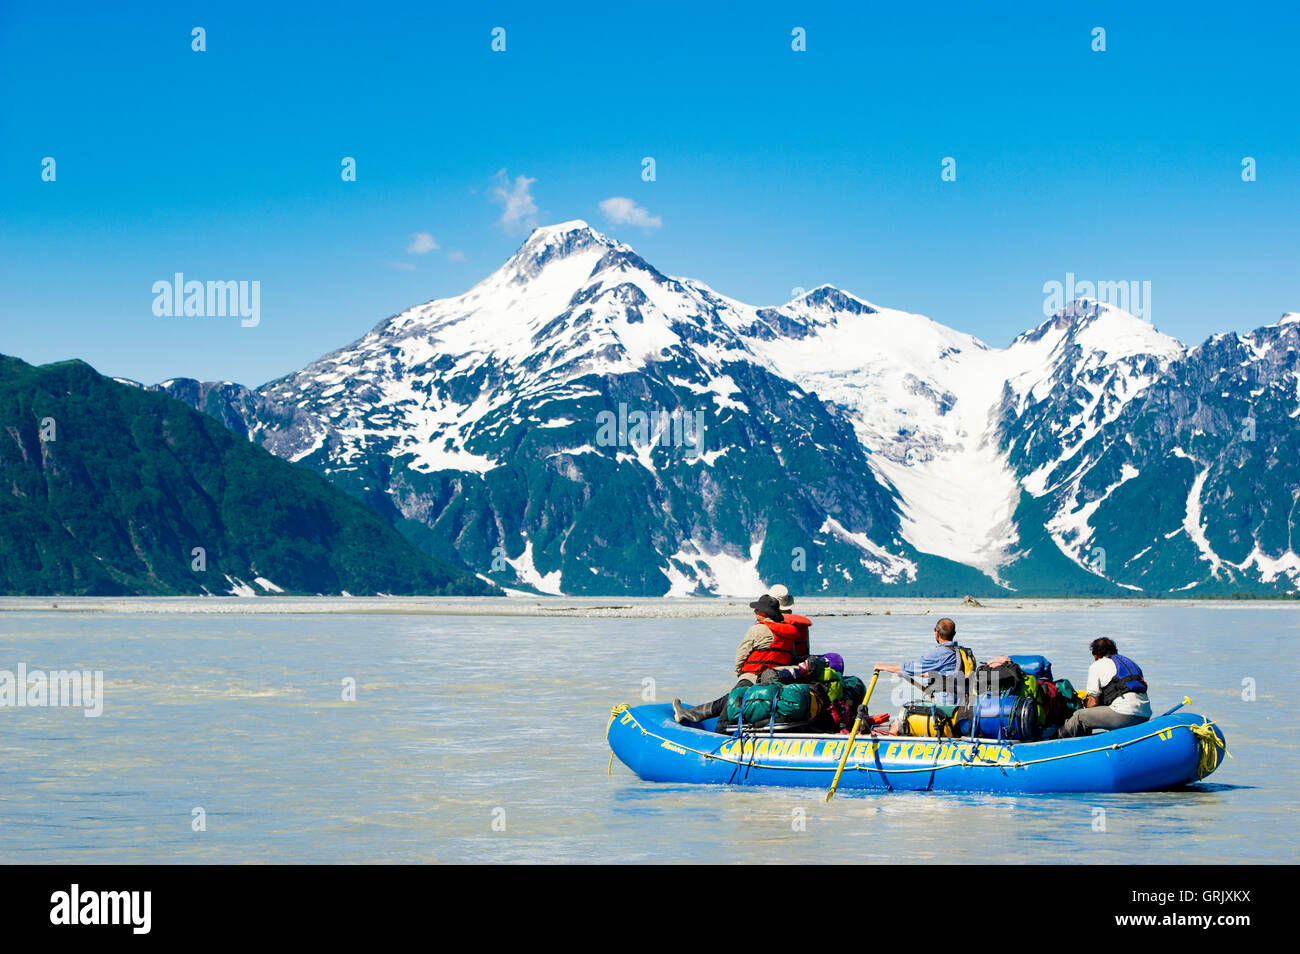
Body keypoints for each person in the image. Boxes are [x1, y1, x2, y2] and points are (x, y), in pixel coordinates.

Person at [672, 594, 799, 729]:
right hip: (777, 681)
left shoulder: (757, 629)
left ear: (765, 612)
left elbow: (741, 655)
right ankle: (692, 714)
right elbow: (792, 658)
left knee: (732, 702)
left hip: (755, 677)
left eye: (758, 609)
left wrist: (740, 674)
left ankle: (720, 735)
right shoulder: (789, 634)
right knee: (728, 699)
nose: (755, 611)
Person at [875, 618, 967, 733]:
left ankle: (892, 738)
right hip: (960, 708)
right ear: (954, 634)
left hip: (946, 712)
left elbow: (910, 667)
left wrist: (883, 667)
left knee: (902, 718)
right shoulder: (960, 652)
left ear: (937, 633)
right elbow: (949, 675)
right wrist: (922, 675)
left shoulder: (940, 653)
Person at [1058, 637, 1151, 738]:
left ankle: (1055, 742)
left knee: (1080, 717)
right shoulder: (1131, 663)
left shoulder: (1097, 665)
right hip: (1145, 714)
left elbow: (1094, 702)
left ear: (1096, 655)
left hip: (1125, 714)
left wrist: (1085, 707)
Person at [767, 583, 812, 661]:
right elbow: (807, 649)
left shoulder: (770, 623)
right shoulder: (800, 624)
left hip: (779, 662)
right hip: (800, 661)